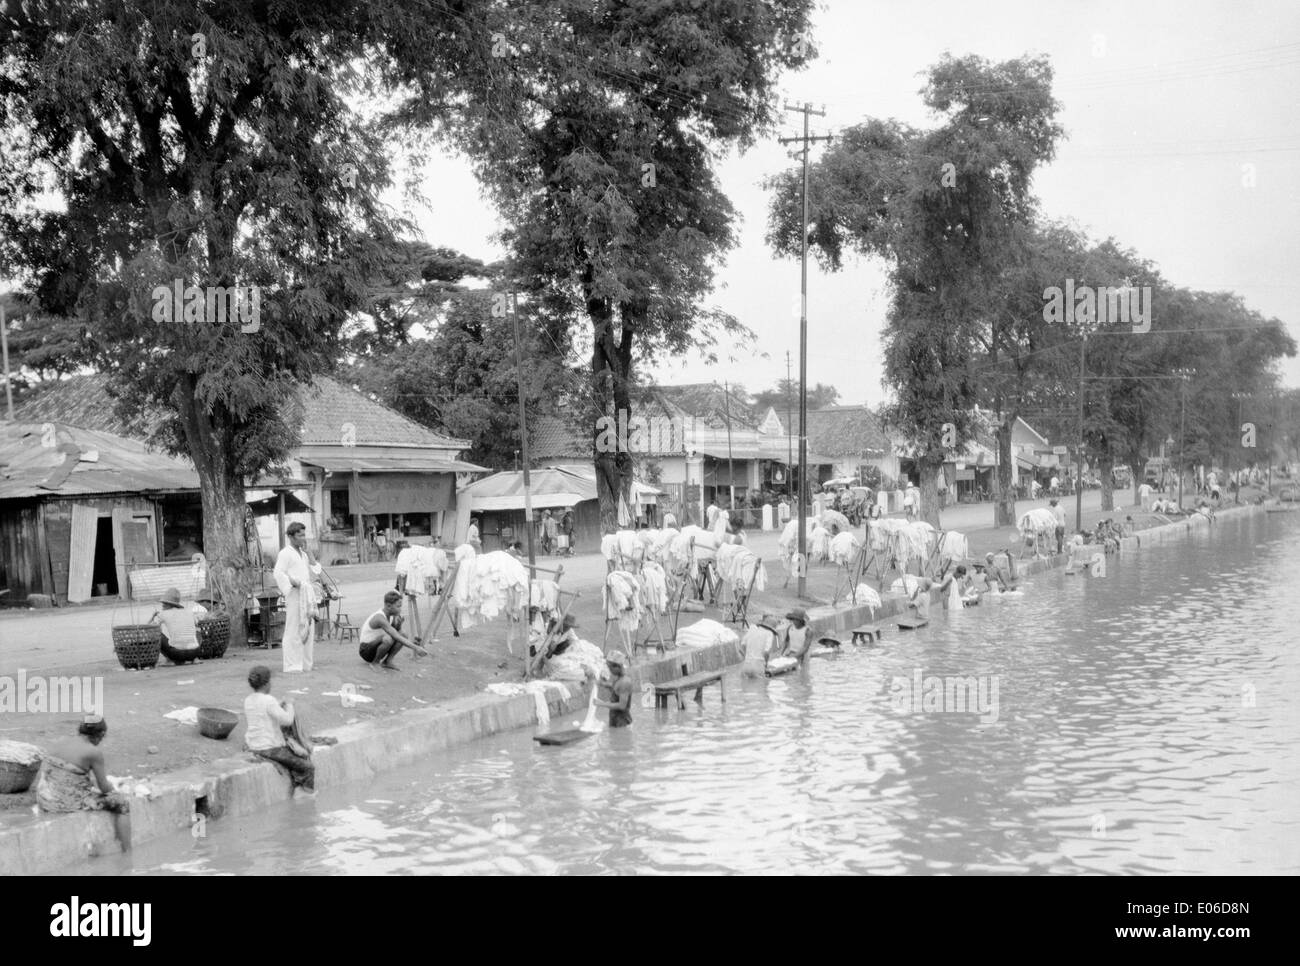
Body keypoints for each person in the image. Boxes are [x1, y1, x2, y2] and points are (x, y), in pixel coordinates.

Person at [34, 715, 131, 849]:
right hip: (62, 804)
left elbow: (69, 775)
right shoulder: (93, 752)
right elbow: (104, 788)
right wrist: (115, 788)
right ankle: (127, 852)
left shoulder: (61, 740)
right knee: (122, 803)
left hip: (43, 799)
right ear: (101, 734)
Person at [244, 665, 315, 796]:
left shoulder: (248, 700)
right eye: (270, 681)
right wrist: (289, 704)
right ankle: (305, 795)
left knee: (296, 753)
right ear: (266, 684)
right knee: (308, 767)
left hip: (253, 745)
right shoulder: (269, 700)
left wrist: (280, 703)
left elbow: (265, 708)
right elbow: (287, 720)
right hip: (269, 748)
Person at [273, 522, 318, 673]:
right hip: (294, 594)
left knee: (308, 628)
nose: (303, 538)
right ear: (291, 537)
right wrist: (292, 582)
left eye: (304, 535)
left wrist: (310, 554)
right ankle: (292, 665)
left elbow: (315, 570)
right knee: (293, 629)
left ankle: (305, 664)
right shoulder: (285, 553)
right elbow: (278, 573)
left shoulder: (304, 554)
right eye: (300, 535)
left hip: (306, 594)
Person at [359, 590, 428, 670]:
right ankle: (375, 663)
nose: (400, 609)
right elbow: (395, 636)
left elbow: (399, 635)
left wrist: (412, 642)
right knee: (387, 638)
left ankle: (387, 661)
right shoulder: (379, 618)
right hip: (365, 651)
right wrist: (416, 648)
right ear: (388, 606)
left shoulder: (393, 616)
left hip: (376, 647)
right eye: (398, 606)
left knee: (403, 634)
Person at [149, 587, 200, 665]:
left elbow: (149, 628)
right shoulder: (189, 612)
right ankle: (195, 659)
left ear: (166, 605)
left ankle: (169, 660)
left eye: (163, 605)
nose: (162, 607)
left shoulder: (163, 614)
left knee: (156, 634)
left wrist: (152, 617)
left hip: (176, 654)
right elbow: (197, 623)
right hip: (195, 652)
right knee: (197, 630)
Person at [593, 650, 634, 728]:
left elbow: (622, 706)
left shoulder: (625, 682)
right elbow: (616, 690)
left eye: (610, 668)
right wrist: (603, 684)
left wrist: (602, 704)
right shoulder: (619, 679)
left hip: (623, 723)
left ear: (618, 667)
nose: (610, 670)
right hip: (616, 720)